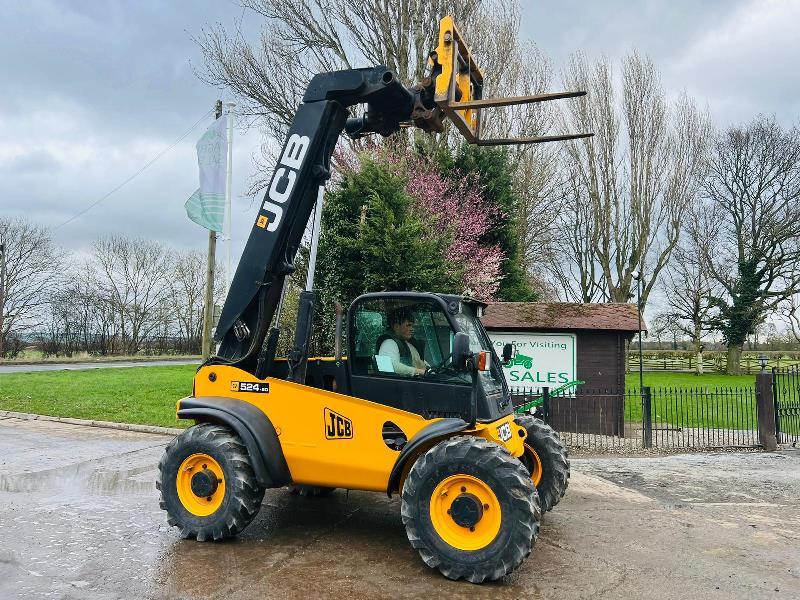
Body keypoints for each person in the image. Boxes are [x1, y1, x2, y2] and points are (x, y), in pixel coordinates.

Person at [377, 307, 427, 376]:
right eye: (408, 325)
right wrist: (418, 371)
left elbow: (420, 362)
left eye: (412, 326)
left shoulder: (408, 344)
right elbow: (388, 366)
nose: (412, 329)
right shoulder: (388, 343)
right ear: (396, 326)